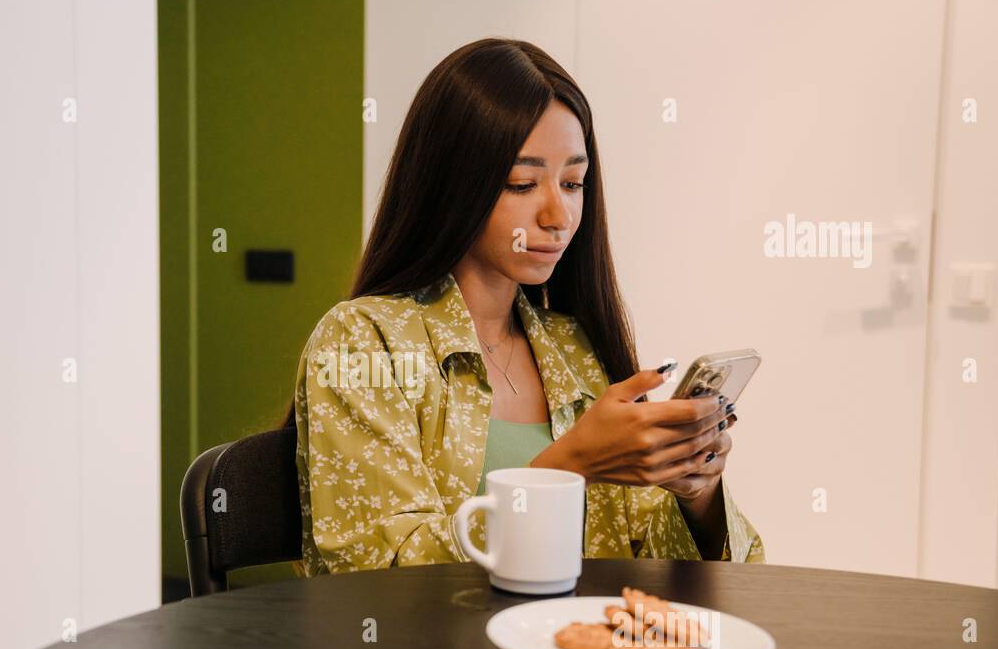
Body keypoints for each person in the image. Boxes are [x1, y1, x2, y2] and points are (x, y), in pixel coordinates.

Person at [280, 37, 764, 576]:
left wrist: (696, 491)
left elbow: (661, 572)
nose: (558, 215)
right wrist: (570, 464)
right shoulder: (363, 343)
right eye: (522, 183)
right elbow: (379, 578)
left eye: (574, 182)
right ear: (450, 186)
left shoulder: (573, 349)